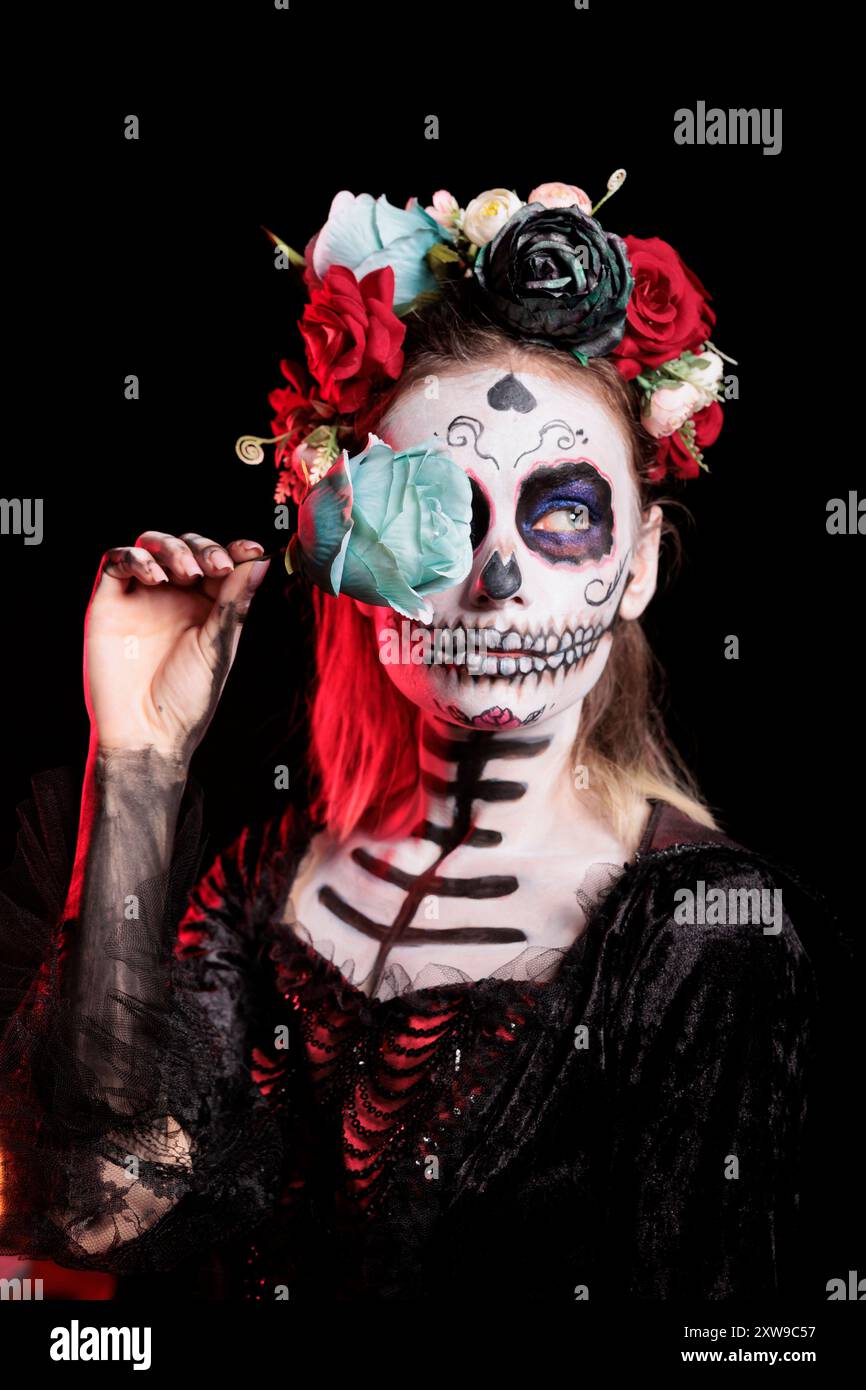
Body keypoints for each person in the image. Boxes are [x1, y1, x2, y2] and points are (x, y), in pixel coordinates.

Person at [0, 183, 825, 1300]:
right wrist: (138, 761)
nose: (494, 579)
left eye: (564, 512)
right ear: (344, 548)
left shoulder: (705, 937)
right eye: (435, 510)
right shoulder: (270, 875)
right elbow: (87, 1211)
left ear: (633, 567)